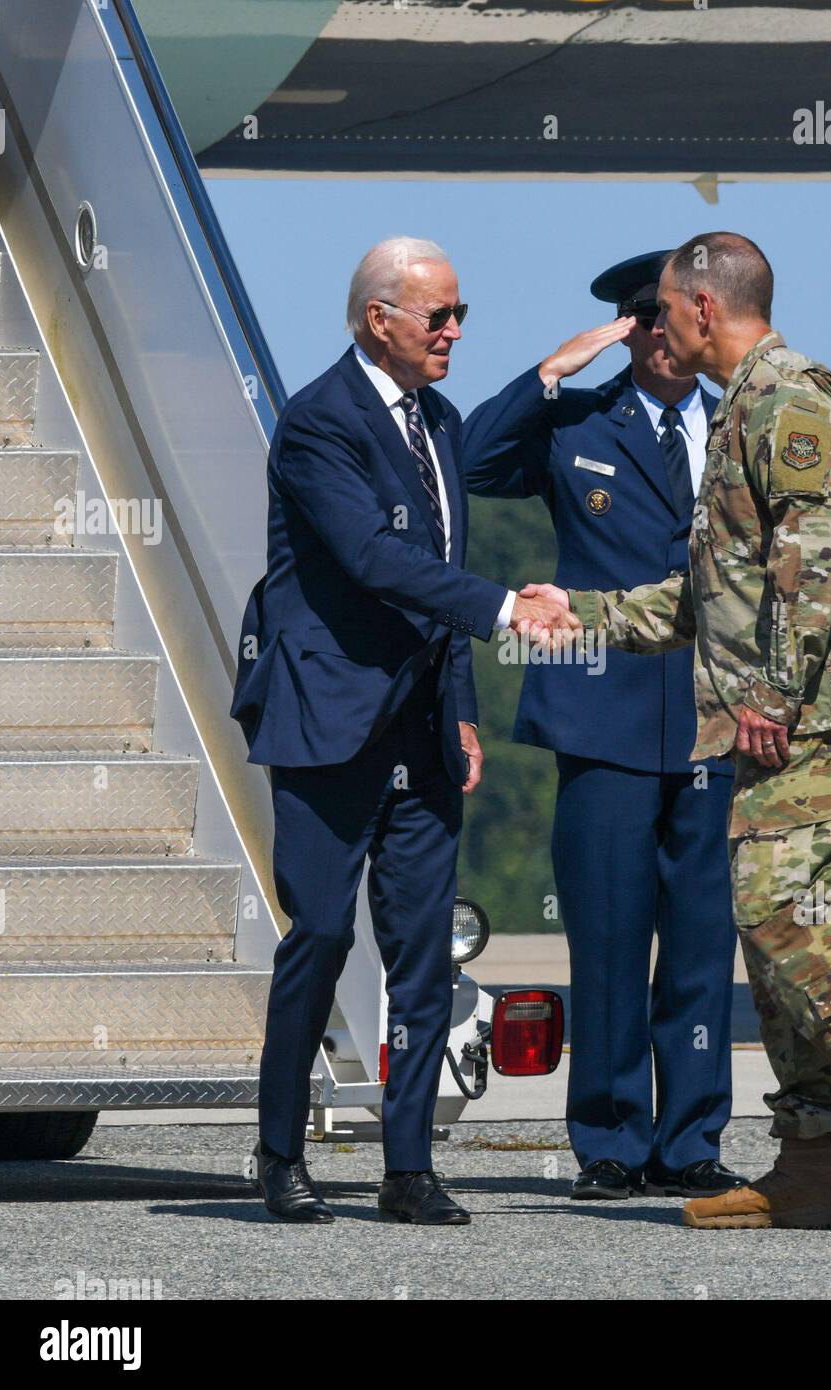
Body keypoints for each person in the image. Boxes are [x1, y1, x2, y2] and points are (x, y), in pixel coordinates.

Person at [526, 231, 831, 1230]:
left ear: (704, 309)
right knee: (770, 921)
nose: (654, 327)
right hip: (792, 698)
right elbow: (713, 593)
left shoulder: (784, 397)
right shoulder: (745, 404)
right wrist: (584, 612)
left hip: (821, 703)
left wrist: (767, 695)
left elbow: (816, 564)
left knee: (777, 910)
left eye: (662, 309)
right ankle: (807, 1161)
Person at [230, 236, 576, 1226]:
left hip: (419, 731)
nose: (454, 331)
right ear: (378, 318)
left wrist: (459, 708)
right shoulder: (316, 425)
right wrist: (507, 610)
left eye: (460, 313)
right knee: (325, 932)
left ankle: (409, 1166)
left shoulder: (441, 422)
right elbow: (377, 561)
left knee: (423, 953)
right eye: (439, 316)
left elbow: (438, 573)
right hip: (325, 720)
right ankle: (278, 1152)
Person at [463, 253, 745, 1201]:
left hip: (714, 719)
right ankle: (612, 1143)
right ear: (630, 330)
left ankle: (692, 1141)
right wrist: (550, 373)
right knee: (611, 941)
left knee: (703, 946)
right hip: (602, 716)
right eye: (648, 326)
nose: (667, 342)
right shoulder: (581, 421)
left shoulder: (741, 423)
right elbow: (471, 462)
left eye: (675, 323)